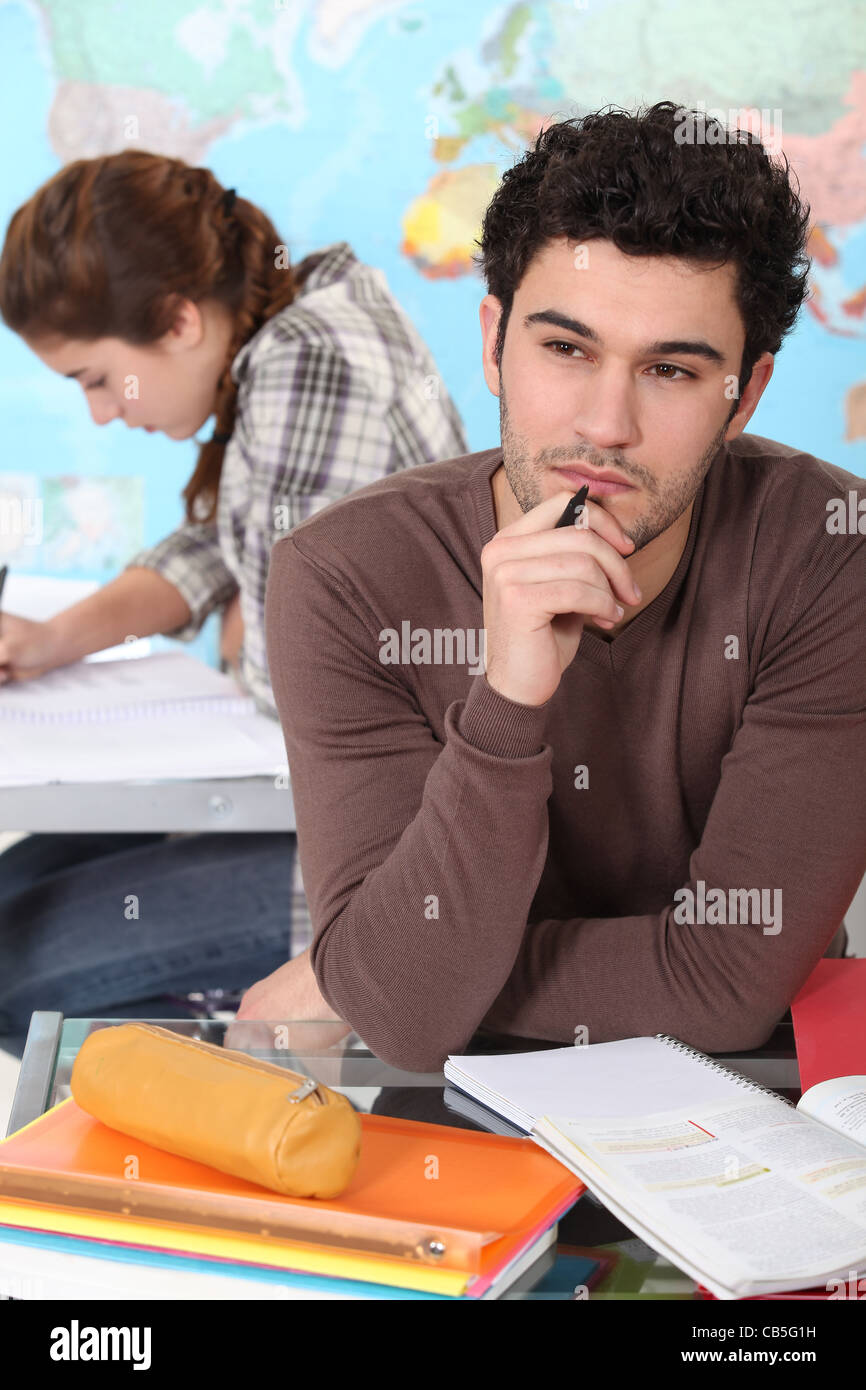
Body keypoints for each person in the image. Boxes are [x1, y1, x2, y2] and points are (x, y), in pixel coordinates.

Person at [247, 101, 865, 1072]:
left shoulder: (835, 557)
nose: (603, 424)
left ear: (741, 395)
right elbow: (407, 1015)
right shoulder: (344, 578)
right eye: (564, 349)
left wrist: (370, 972)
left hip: (747, 1102)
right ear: (493, 342)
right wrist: (507, 701)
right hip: (456, 1102)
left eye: (669, 369)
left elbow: (722, 987)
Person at [0, 150, 468, 1057]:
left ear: (177, 321)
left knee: (15, 968)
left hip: (376, 854)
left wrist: (250, 631)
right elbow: (226, 538)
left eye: (95, 378)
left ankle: (255, 1086)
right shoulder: (293, 319)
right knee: (14, 900)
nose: (100, 413)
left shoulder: (309, 365)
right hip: (315, 801)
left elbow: (288, 678)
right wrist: (57, 637)